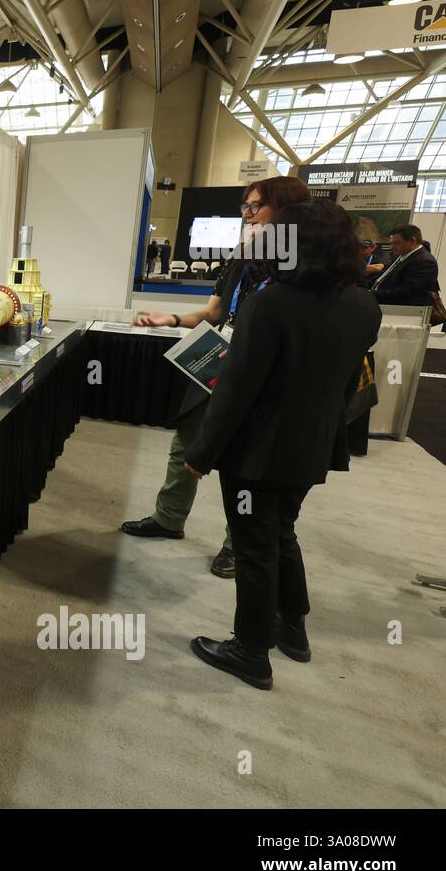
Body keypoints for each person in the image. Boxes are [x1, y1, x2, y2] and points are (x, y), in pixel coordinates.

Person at [183, 199, 382, 690]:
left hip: (257, 451)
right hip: (313, 444)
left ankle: (250, 651)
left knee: (254, 547)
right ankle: (292, 629)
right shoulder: (363, 305)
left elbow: (236, 389)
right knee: (281, 534)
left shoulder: (270, 303)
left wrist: (201, 454)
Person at [125, 176, 311, 580]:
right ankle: (168, 518)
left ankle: (236, 544)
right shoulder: (240, 259)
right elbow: (213, 312)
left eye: (256, 206)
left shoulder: (302, 267)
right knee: (186, 443)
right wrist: (170, 318)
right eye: (244, 207)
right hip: (219, 360)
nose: (247, 215)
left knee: (243, 463)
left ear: (287, 210)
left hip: (263, 377)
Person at [370, 224, 439, 308]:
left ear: (412, 241)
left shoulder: (425, 262)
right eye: (391, 243)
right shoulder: (402, 256)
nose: (391, 247)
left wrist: (371, 294)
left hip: (403, 313)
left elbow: (407, 292)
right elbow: (384, 278)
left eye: (396, 243)